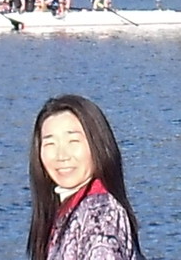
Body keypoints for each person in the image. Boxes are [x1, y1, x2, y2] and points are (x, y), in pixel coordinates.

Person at [27, 94, 144, 260]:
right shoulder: (66, 210)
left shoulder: (101, 215)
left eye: (73, 141)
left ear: (98, 146)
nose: (62, 155)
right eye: (50, 144)